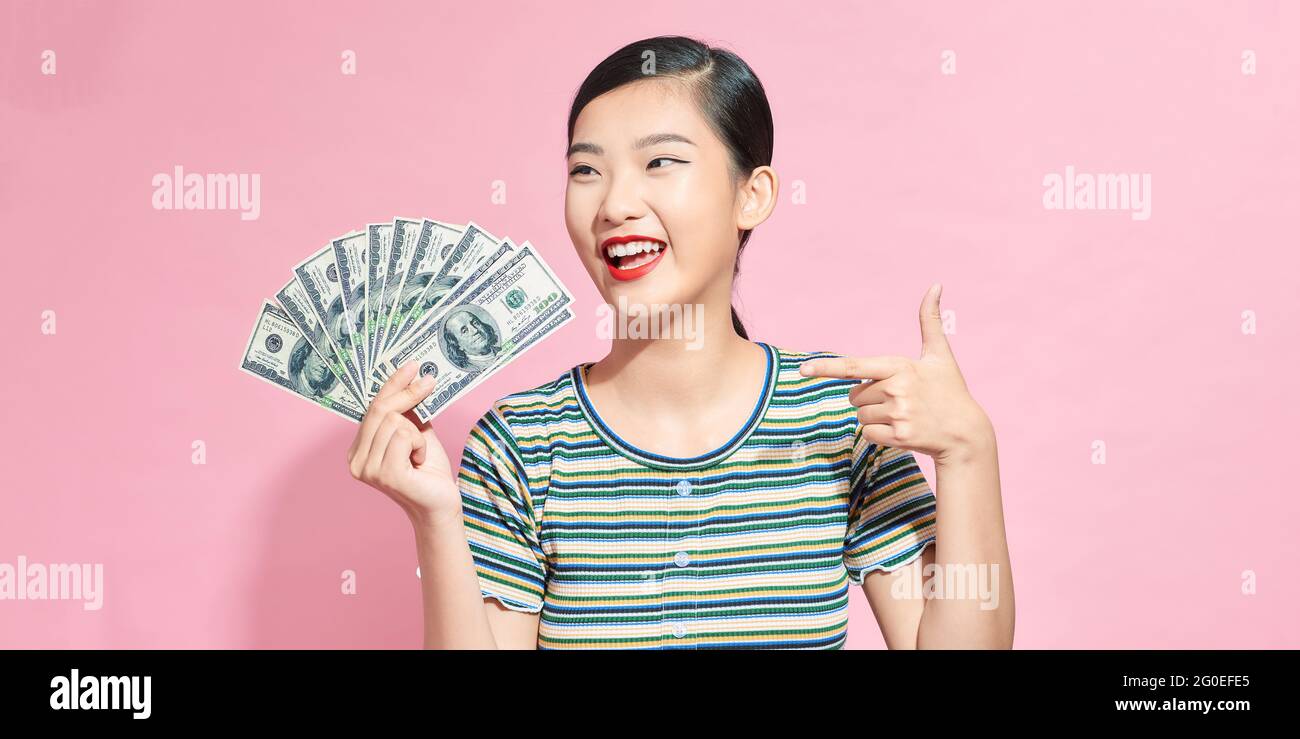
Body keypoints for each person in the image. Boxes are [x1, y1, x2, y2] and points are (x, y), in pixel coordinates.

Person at [346, 35, 1013, 649]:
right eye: (586, 170)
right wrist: (436, 520)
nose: (615, 203)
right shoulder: (520, 446)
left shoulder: (839, 419)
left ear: (752, 196)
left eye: (660, 161)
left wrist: (968, 452)